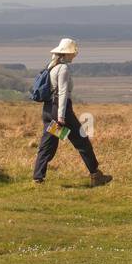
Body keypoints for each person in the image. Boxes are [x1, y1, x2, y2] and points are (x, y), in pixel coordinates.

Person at [33, 38, 112, 187]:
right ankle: (96, 175)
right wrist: (62, 117)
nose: (74, 56)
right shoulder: (63, 68)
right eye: (73, 53)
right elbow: (62, 93)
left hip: (48, 109)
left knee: (48, 143)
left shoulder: (51, 66)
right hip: (60, 110)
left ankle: (38, 177)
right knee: (81, 140)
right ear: (67, 54)